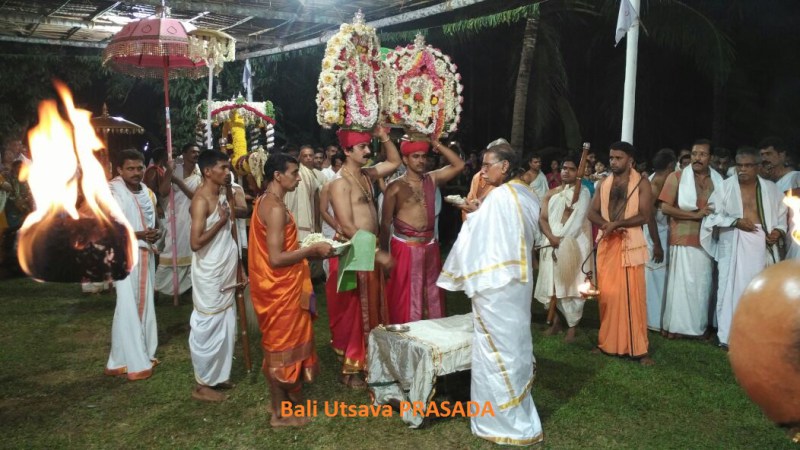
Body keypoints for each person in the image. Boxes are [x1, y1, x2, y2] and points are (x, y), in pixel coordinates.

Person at [438, 139, 543, 445]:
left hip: (497, 286)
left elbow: (483, 236)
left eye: (487, 165)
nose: (482, 172)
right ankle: (516, 413)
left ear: (505, 166)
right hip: (518, 283)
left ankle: (498, 421)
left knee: (493, 348)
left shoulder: (500, 197)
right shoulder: (524, 192)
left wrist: (472, 216)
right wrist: (479, 212)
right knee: (514, 346)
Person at [248, 153, 333, 427]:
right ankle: (279, 414)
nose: (298, 177)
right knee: (278, 350)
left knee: (283, 345)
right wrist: (311, 250)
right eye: (294, 173)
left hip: (282, 285)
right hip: (277, 289)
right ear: (277, 176)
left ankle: (286, 401)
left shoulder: (269, 201)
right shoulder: (273, 207)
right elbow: (275, 258)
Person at [326, 127, 401, 388]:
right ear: (347, 151)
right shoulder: (340, 183)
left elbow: (394, 162)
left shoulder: (367, 175)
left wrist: (384, 136)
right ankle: (350, 370)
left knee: (374, 308)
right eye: (362, 147)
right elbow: (346, 226)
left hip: (371, 248)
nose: (368, 151)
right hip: (356, 251)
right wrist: (377, 253)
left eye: (369, 146)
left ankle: (372, 360)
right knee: (355, 311)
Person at [700, 147, 786, 349]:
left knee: (758, 291)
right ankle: (727, 337)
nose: (743, 170)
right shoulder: (725, 188)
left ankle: (755, 336)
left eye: (748, 165)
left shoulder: (771, 190)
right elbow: (711, 216)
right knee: (728, 290)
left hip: (760, 246)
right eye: (739, 165)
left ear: (757, 167)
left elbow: (782, 217)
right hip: (733, 243)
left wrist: (778, 232)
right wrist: (735, 222)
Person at [380, 138, 464, 325]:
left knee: (432, 296)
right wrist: (385, 254)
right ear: (405, 159)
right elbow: (385, 224)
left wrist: (437, 143)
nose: (420, 161)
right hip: (404, 247)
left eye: (424, 156)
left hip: (430, 246)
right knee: (404, 299)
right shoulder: (395, 187)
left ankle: (432, 337)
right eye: (415, 156)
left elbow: (458, 164)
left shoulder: (432, 179)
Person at [588, 141, 654, 365]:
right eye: (611, 158)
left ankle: (638, 348)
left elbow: (644, 216)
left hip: (630, 244)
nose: (613, 162)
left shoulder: (642, 183)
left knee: (632, 297)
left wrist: (617, 225)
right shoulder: (604, 183)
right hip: (608, 243)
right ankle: (607, 342)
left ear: (630, 160)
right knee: (608, 296)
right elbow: (592, 212)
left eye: (618, 158)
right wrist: (607, 224)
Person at [188, 150, 239, 402]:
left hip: (225, 268)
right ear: (208, 171)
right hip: (209, 271)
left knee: (226, 322)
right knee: (208, 324)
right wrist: (219, 223)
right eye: (223, 168)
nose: (227, 172)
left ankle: (218, 375)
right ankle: (203, 384)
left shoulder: (220, 193)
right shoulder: (201, 200)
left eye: (228, 167)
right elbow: (195, 243)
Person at [105, 149, 160, 380]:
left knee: (140, 304)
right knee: (129, 305)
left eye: (139, 168)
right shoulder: (111, 191)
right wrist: (139, 234)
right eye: (130, 168)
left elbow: (151, 218)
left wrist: (153, 235)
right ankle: (137, 363)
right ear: (119, 169)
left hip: (144, 252)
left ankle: (119, 360)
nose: (136, 173)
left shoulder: (145, 191)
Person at [658, 139, 721, 339]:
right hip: (683, 237)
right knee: (682, 287)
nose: (697, 158)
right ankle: (677, 328)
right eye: (694, 154)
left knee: (702, 286)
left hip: (708, 240)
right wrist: (695, 215)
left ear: (710, 158)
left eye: (702, 154)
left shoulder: (718, 180)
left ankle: (697, 327)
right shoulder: (676, 177)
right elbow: (665, 208)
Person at [534, 154, 592, 343]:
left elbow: (576, 223)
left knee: (572, 284)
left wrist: (561, 239)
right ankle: (557, 321)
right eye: (563, 168)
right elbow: (543, 218)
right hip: (551, 242)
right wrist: (551, 237)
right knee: (553, 282)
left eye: (571, 168)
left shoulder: (583, 193)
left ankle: (572, 327)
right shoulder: (552, 193)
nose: (566, 171)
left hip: (574, 244)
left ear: (579, 172)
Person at [153, 143, 201, 297]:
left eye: (197, 152)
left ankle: (189, 289)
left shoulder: (200, 173)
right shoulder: (175, 169)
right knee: (169, 251)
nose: (195, 154)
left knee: (191, 252)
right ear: (184, 154)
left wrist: (178, 182)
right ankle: (157, 289)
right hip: (175, 218)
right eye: (192, 152)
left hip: (192, 217)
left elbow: (196, 198)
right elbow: (163, 191)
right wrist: (169, 173)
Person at [644, 148, 675, 331]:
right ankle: (652, 321)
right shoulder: (655, 183)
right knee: (654, 276)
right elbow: (648, 216)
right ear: (670, 165)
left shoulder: (663, 180)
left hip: (664, 233)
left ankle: (659, 318)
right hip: (655, 234)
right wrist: (656, 244)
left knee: (661, 276)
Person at [284, 145, 322, 242]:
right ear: (299, 158)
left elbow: (317, 199)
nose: (308, 158)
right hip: (292, 218)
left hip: (311, 215)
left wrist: (317, 222)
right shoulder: (296, 174)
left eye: (310, 155)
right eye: (305, 156)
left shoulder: (318, 174)